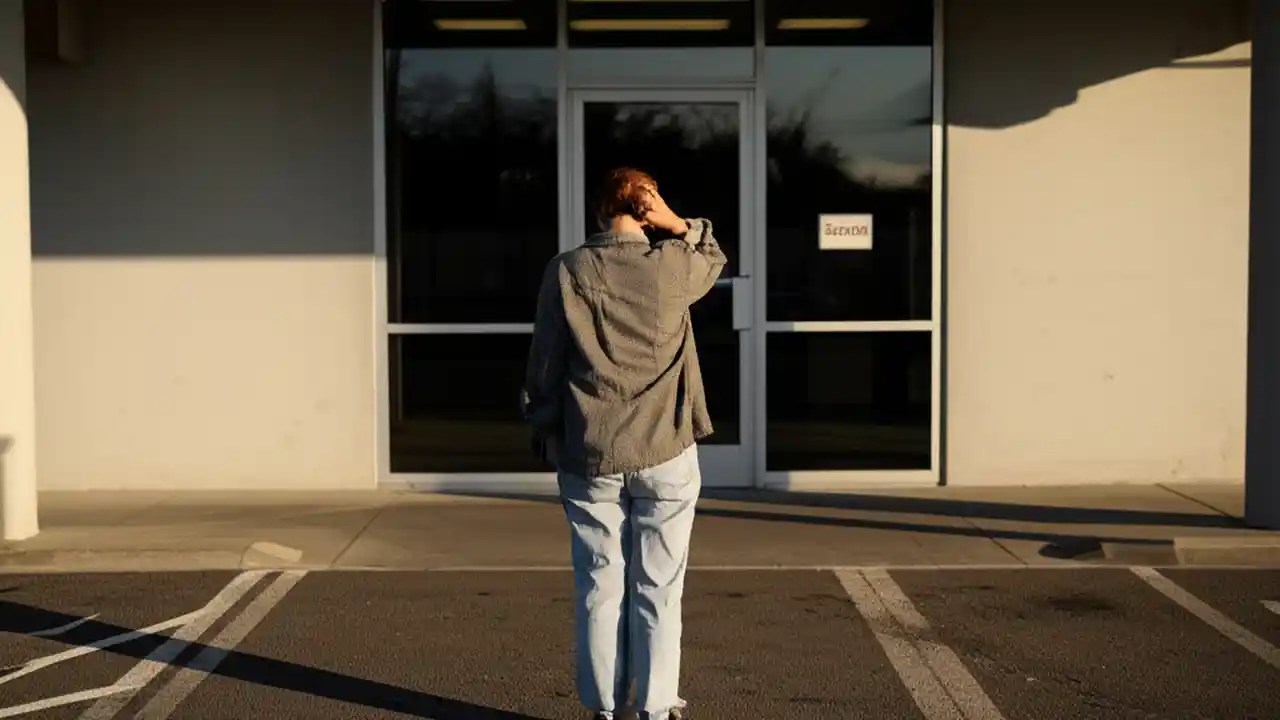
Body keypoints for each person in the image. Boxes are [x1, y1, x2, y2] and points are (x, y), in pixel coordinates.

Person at [521, 167, 726, 720]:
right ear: (644, 209)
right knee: (659, 588)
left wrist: (542, 426)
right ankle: (656, 708)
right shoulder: (671, 268)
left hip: (590, 450)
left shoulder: (566, 270)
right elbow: (713, 256)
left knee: (599, 585)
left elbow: (544, 362)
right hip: (667, 450)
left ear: (598, 209)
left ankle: (605, 708)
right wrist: (675, 220)